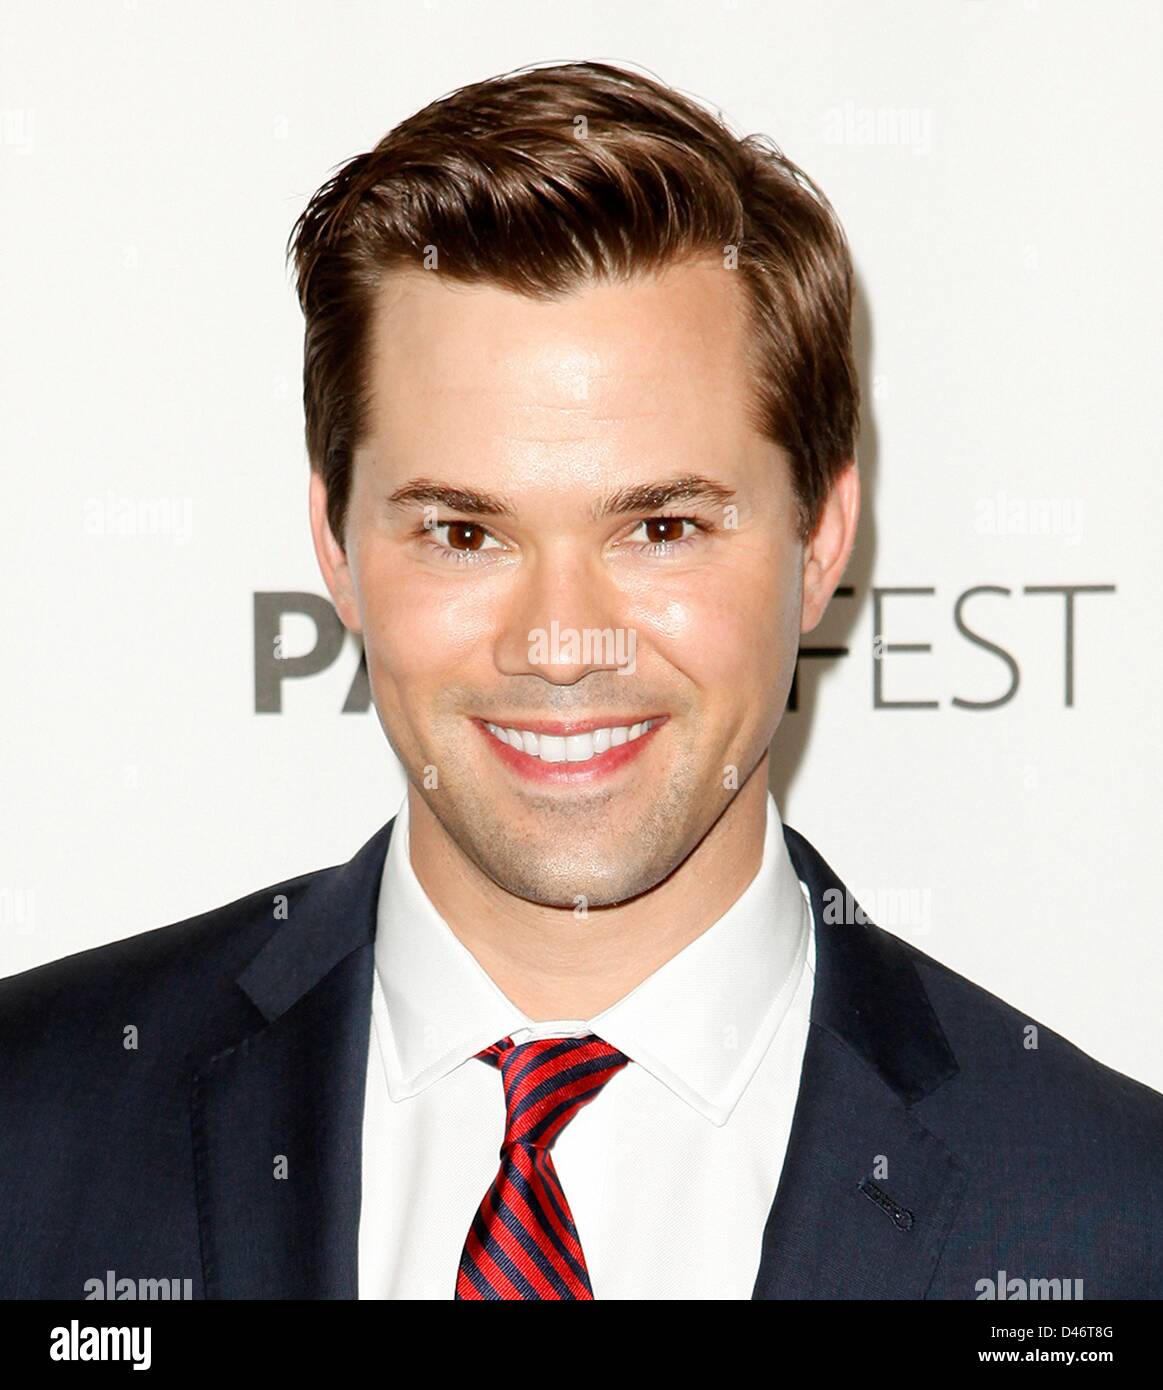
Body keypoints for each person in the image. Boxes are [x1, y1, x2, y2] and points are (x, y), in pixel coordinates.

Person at [2, 61, 1160, 1301]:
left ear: (818, 542)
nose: (560, 643)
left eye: (659, 528)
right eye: (463, 533)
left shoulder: (1109, 1219)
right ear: (335, 549)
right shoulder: (32, 1126)